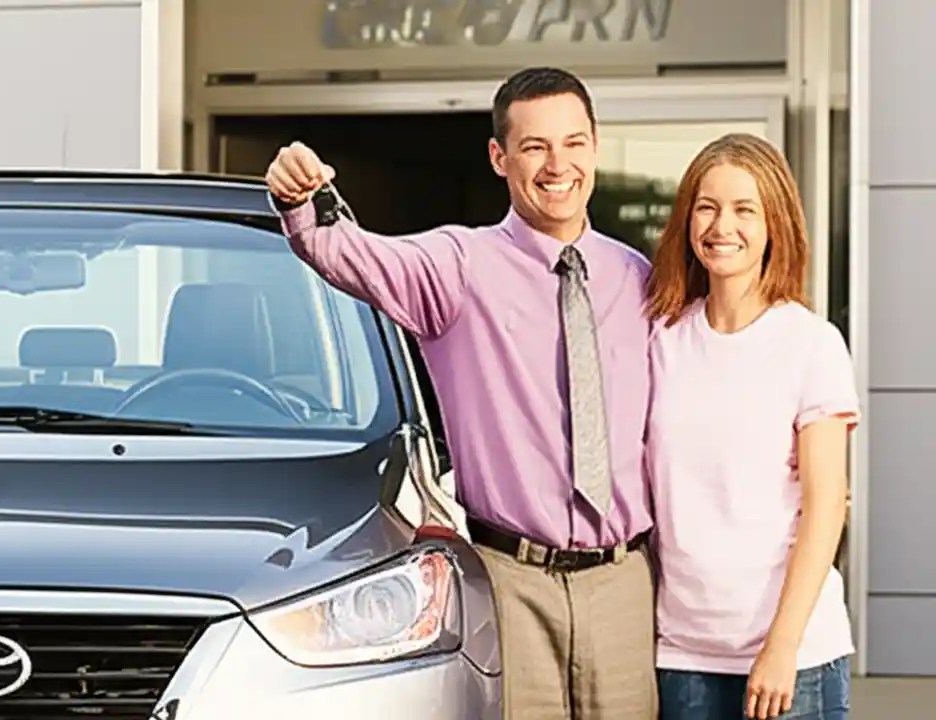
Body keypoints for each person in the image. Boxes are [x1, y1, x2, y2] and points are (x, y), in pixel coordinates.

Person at [265, 67, 656, 719]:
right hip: (511, 580)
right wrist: (300, 202)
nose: (557, 164)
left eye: (573, 142)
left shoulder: (637, 276)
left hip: (625, 584)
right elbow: (350, 254)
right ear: (499, 158)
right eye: (534, 147)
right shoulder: (457, 266)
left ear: (594, 145)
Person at [644, 132, 857, 720]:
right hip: (683, 653)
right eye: (707, 207)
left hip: (792, 655)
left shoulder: (810, 345)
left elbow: (825, 505)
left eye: (744, 209)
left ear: (775, 224)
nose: (722, 226)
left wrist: (782, 645)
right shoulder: (661, 339)